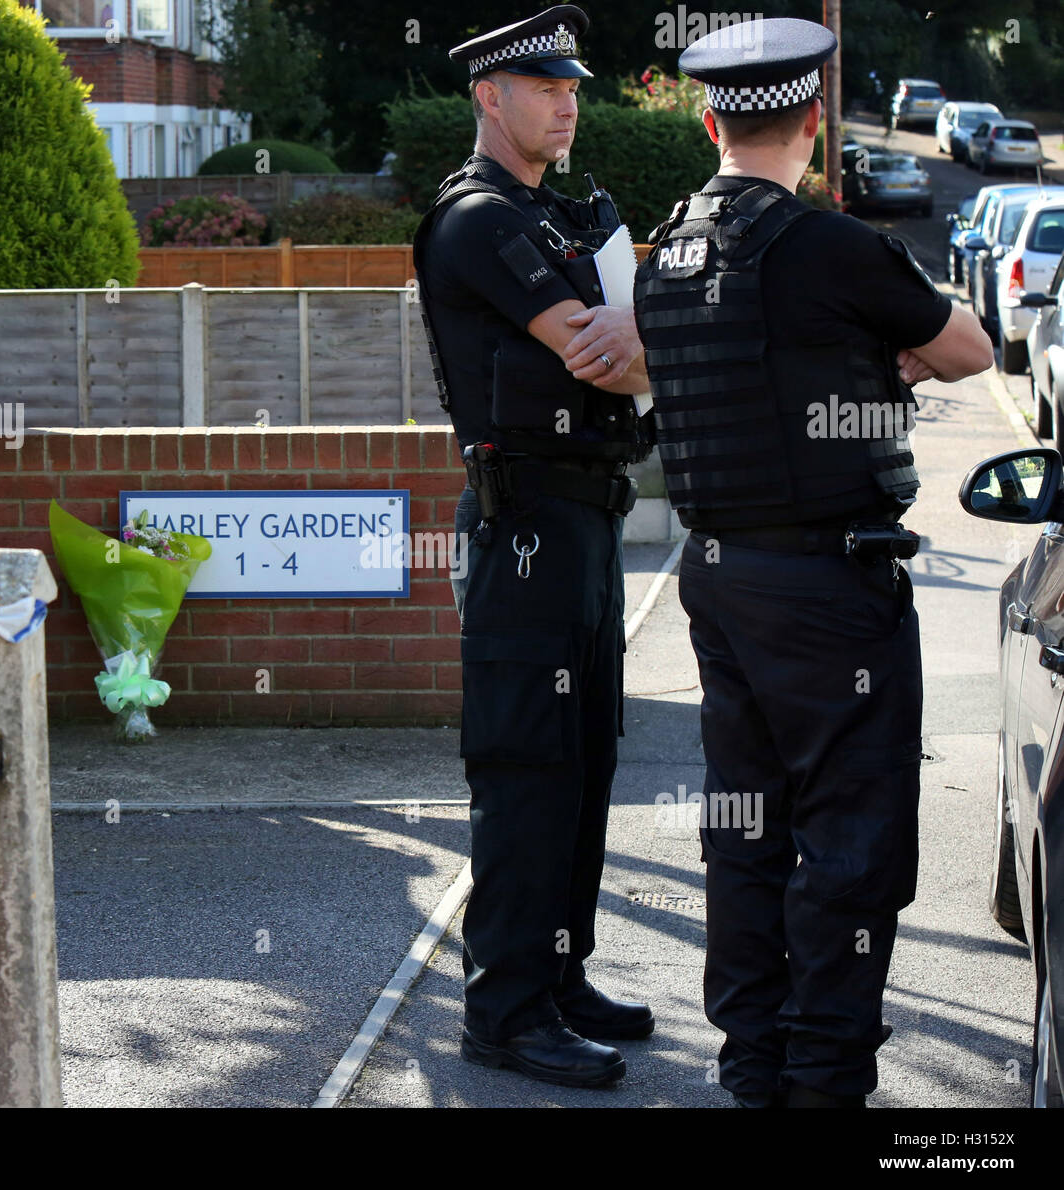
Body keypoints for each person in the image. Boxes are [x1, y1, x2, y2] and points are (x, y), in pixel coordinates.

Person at [632, 17, 993, 1107]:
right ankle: (825, 1076)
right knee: (851, 832)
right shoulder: (827, 245)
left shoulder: (671, 249)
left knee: (745, 821)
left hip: (719, 576)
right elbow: (968, 348)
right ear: (813, 124)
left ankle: (753, 1061)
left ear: (707, 121)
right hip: (830, 593)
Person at [413, 5, 657, 1089]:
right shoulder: (481, 221)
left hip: (586, 518)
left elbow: (623, 346)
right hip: (523, 530)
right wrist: (654, 348)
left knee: (585, 759)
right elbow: (596, 355)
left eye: (574, 87)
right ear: (488, 97)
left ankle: (558, 974)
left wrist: (642, 346)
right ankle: (503, 1011)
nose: (568, 101)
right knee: (524, 770)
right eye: (544, 85)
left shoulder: (556, 215)